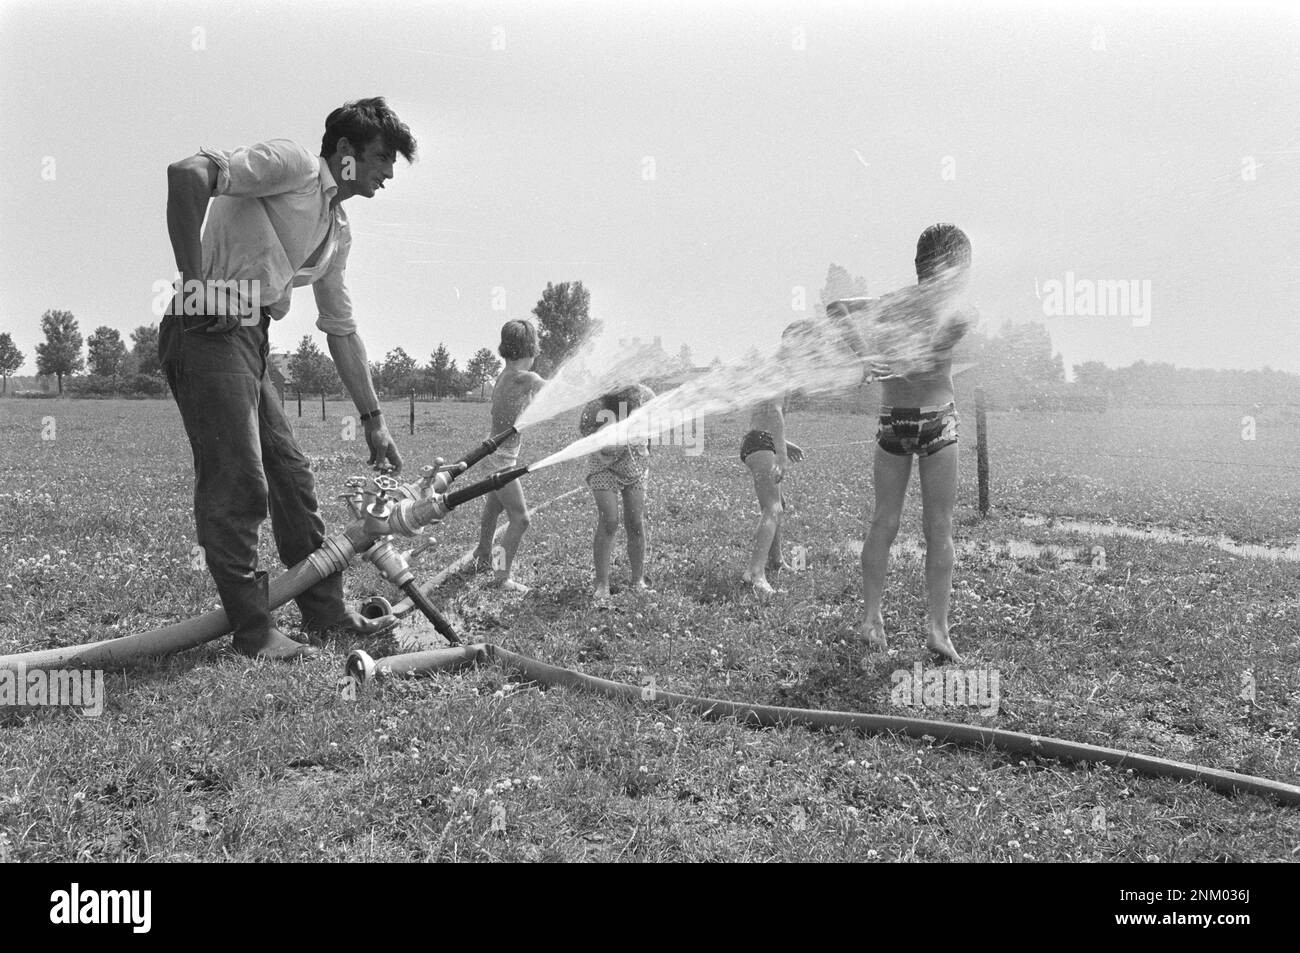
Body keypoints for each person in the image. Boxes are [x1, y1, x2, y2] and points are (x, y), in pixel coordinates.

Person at [160, 97, 415, 660]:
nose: (387, 174)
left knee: (292, 478)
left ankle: (325, 614)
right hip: (206, 326)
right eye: (380, 159)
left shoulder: (336, 230)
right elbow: (188, 174)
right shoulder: (294, 163)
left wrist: (374, 422)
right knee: (240, 480)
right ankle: (254, 633)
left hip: (251, 339)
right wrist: (195, 284)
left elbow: (341, 330)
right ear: (345, 151)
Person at [828, 224, 977, 663]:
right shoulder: (961, 310)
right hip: (937, 421)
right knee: (939, 528)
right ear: (954, 267)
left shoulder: (889, 303)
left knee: (884, 522)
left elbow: (838, 308)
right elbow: (936, 345)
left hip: (894, 420)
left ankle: (872, 620)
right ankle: (937, 629)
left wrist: (864, 356)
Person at [470, 319, 546, 591]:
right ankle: (502, 577)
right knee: (521, 519)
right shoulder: (526, 377)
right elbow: (554, 393)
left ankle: (482, 552)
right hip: (501, 458)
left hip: (494, 453)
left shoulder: (504, 374)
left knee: (494, 506)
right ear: (532, 347)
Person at [740, 323, 809, 594]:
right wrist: (780, 453)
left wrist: (783, 443)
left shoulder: (777, 368)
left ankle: (775, 560)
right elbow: (775, 411)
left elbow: (763, 414)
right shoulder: (779, 370)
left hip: (757, 440)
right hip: (762, 444)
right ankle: (754, 573)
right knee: (773, 508)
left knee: (779, 503)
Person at [580, 384, 656, 600]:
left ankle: (638, 580)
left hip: (635, 465)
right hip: (603, 467)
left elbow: (651, 431)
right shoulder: (597, 402)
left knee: (635, 522)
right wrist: (601, 441)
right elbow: (585, 432)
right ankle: (601, 583)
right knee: (609, 521)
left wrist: (645, 453)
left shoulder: (646, 395)